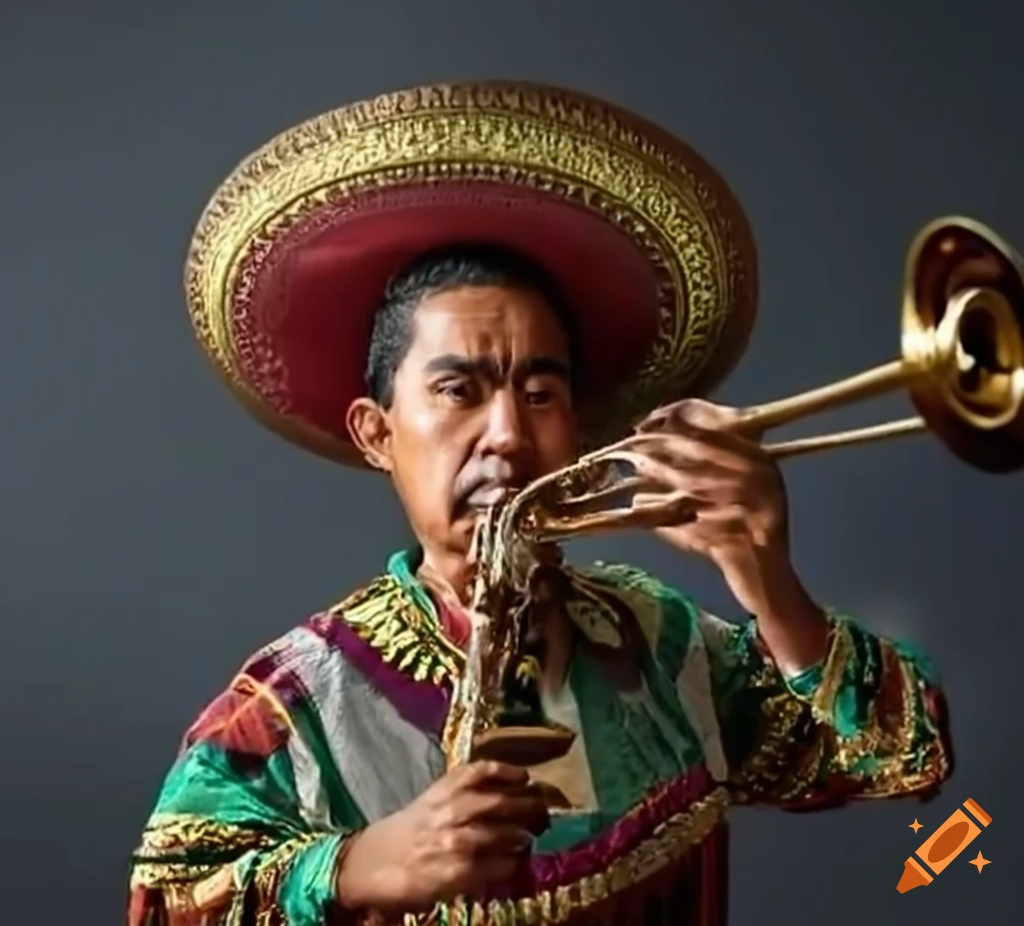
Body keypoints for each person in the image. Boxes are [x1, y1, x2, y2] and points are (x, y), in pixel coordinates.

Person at [128, 82, 953, 926]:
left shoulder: (659, 640)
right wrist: (356, 867)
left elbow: (902, 758)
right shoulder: (299, 704)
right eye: (458, 390)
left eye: (542, 392)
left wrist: (769, 583)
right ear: (377, 434)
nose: (509, 437)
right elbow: (166, 904)